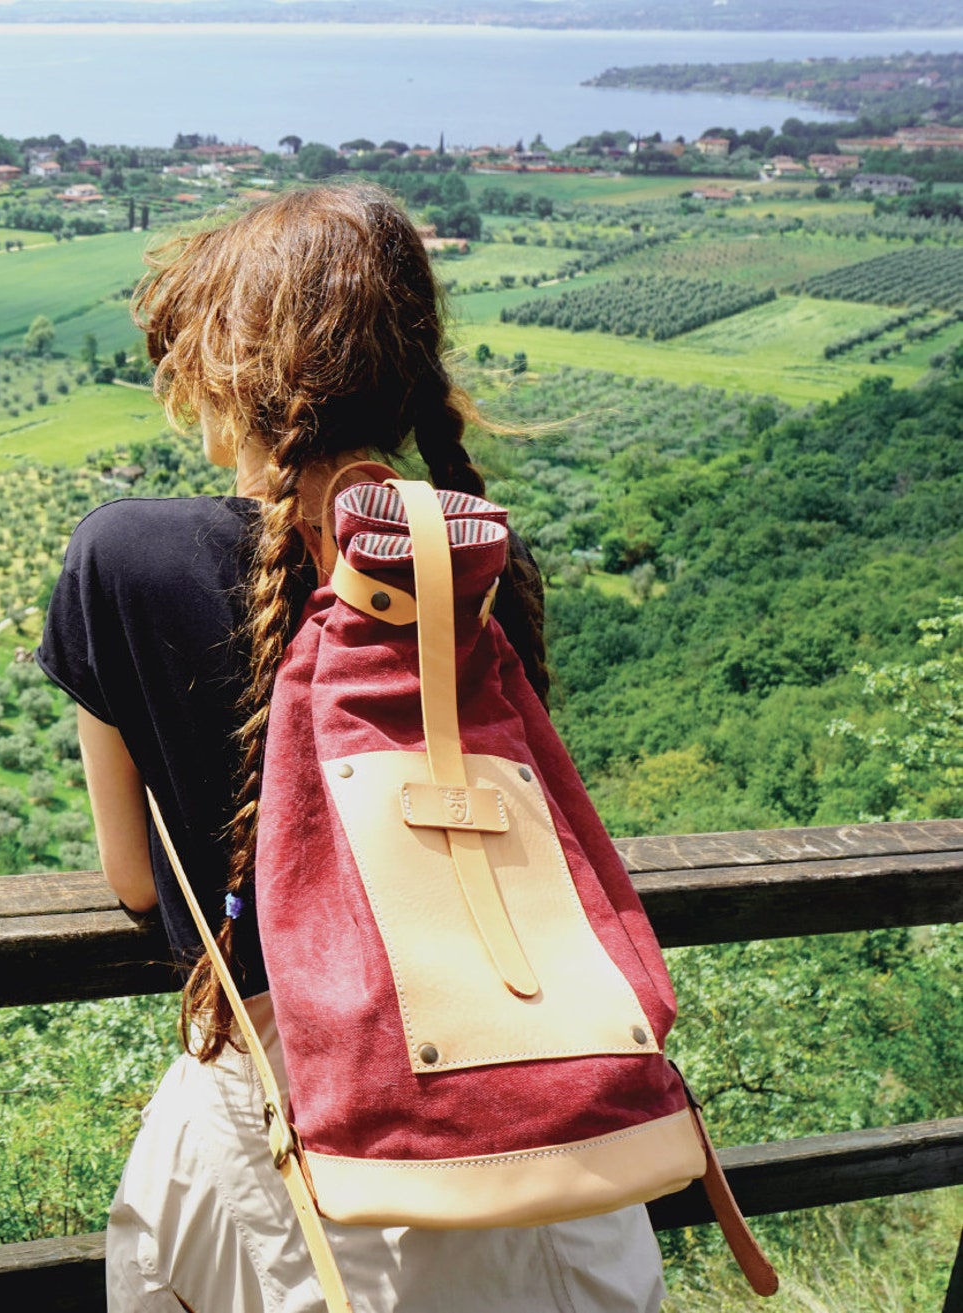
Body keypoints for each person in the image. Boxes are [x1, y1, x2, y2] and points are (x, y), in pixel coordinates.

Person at [36, 181, 665, 1312]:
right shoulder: (476, 561)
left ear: (228, 372)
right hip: (538, 1120)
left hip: (302, 1140)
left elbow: (132, 877)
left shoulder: (126, 557)